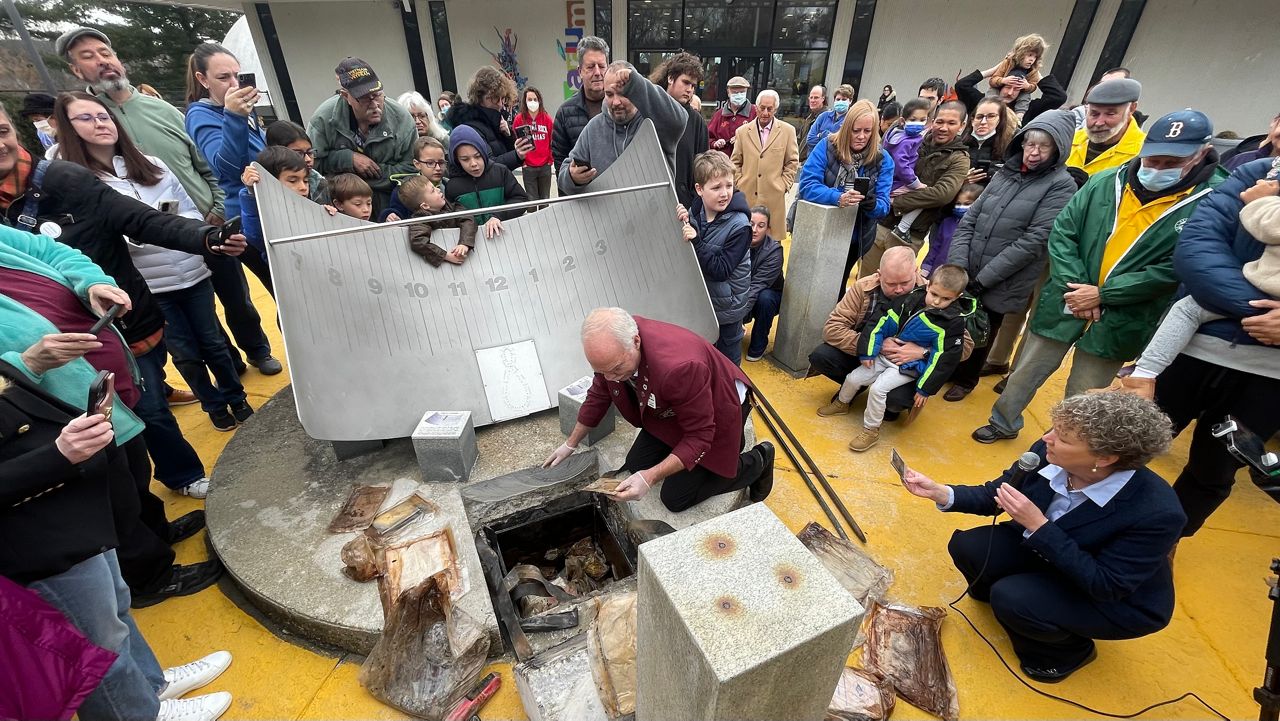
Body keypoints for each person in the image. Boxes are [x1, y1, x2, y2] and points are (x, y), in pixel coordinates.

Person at [0, 101, 255, 505]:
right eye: (86, 117)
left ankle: (182, 476)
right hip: (39, 359)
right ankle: (135, 530)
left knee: (149, 410)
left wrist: (207, 239)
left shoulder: (65, 180)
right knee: (86, 444)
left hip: (117, 329)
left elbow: (143, 219)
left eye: (2, 131)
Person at [0, 226, 226, 607]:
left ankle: (156, 532)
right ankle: (150, 578)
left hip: (96, 389)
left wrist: (91, 284)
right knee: (110, 495)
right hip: (47, 411)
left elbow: (52, 250)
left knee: (133, 470)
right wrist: (24, 363)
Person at [0, 360, 236, 721]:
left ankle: (149, 687)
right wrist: (56, 457)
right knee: (94, 645)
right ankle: (139, 714)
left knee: (116, 609)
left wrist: (30, 359)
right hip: (30, 538)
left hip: (68, 507)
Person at [973, 110, 1227, 444]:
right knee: (1028, 369)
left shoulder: (1213, 201)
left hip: (1122, 313)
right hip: (1069, 297)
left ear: (1202, 153)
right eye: (1152, 160)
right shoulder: (1106, 181)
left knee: (1088, 392)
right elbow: (1064, 232)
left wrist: (1104, 295)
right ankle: (1003, 421)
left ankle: (1068, 445)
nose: (1157, 169)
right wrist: (1076, 286)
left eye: (1170, 163)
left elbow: (1178, 265)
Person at [905, 392, 1185, 682]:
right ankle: (1021, 602)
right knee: (969, 547)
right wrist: (941, 492)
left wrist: (1039, 527)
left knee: (1014, 598)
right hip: (1057, 554)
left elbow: (1106, 585)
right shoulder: (1047, 452)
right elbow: (998, 494)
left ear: (1104, 458)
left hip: (1111, 597)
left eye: (1063, 438)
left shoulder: (1156, 512)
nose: (1047, 438)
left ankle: (1067, 653)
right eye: (1053, 429)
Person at [55, 27, 276, 379]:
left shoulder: (162, 110)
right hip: (151, 251)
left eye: (105, 51)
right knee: (192, 318)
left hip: (207, 224)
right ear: (76, 70)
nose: (102, 61)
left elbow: (206, 165)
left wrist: (216, 208)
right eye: (88, 57)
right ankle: (228, 369)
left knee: (236, 297)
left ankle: (257, 351)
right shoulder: (85, 119)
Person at [56, 91, 251, 437]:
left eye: (103, 116)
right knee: (185, 353)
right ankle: (214, 405)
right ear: (66, 129)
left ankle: (237, 398)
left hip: (191, 271)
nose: (100, 123)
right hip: (149, 287)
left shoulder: (153, 164)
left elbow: (188, 211)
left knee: (214, 342)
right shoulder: (75, 185)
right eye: (86, 118)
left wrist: (193, 236)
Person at [1147, 158, 1280, 538]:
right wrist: (1254, 311)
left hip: (1271, 376)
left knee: (1214, 470)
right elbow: (1198, 250)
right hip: (1196, 349)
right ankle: (1083, 519)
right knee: (1122, 443)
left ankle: (1163, 544)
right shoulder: (1254, 175)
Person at [545, 307, 775, 512]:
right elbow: (599, 393)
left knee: (675, 497)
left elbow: (701, 435)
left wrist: (650, 478)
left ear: (635, 341)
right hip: (675, 408)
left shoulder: (678, 368)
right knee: (637, 464)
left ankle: (758, 460)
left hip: (719, 409)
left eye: (615, 369)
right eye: (602, 371)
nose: (609, 378)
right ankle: (682, 455)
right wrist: (570, 443)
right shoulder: (615, 346)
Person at [942, 110, 1078, 403]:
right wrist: (959, 265)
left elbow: (1034, 240)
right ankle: (951, 367)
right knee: (956, 322)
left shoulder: (1060, 185)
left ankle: (967, 379)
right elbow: (970, 219)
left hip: (1005, 277)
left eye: (1043, 146)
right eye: (1030, 144)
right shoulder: (1005, 173)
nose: (1034, 152)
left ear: (1058, 149)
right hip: (971, 265)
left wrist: (984, 278)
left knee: (983, 328)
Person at [1114, 179, 1280, 397]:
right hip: (1245, 302)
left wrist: (1259, 202)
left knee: (1189, 308)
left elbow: (1272, 224)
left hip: (1263, 289)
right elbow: (1198, 244)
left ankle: (1143, 374)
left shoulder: (1261, 188)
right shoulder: (1259, 169)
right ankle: (1142, 376)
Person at [821, 264, 972, 450]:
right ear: (927, 286)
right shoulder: (909, 300)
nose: (937, 302)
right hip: (884, 357)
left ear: (957, 297)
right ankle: (841, 403)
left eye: (946, 298)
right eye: (934, 294)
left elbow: (946, 358)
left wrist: (925, 388)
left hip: (907, 366)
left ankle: (871, 430)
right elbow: (880, 322)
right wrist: (868, 351)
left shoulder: (953, 321)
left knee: (878, 389)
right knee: (853, 377)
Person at [184, 43, 280, 314]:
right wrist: (234, 117)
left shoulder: (244, 111)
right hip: (250, 220)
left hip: (271, 209)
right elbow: (224, 167)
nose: (234, 83)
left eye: (238, 75)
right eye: (223, 77)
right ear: (202, 80)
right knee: (284, 294)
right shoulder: (201, 114)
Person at [797, 99, 894, 293]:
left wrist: (871, 204)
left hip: (855, 236)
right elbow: (807, 185)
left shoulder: (883, 159)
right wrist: (837, 197)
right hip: (818, 228)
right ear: (847, 127)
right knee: (806, 285)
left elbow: (884, 205)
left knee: (836, 288)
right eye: (856, 130)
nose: (861, 136)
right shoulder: (826, 146)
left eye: (867, 131)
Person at [863, 101, 971, 275]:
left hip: (910, 235)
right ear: (932, 120)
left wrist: (895, 201)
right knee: (865, 282)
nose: (943, 128)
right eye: (940, 121)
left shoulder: (959, 159)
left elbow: (942, 194)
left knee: (893, 288)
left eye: (951, 123)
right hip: (882, 223)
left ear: (962, 125)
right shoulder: (914, 139)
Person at [308, 57, 417, 215]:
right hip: (341, 210)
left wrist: (369, 175)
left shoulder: (402, 119)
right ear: (346, 96)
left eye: (378, 95)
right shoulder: (323, 119)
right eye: (365, 98)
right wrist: (347, 159)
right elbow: (312, 167)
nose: (375, 104)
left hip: (391, 208)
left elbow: (412, 168)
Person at [560, 61, 686, 193]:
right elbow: (564, 174)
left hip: (656, 212)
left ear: (634, 90)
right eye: (609, 94)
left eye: (622, 93)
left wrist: (639, 83)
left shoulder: (655, 122)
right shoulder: (593, 128)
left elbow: (680, 121)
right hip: (609, 213)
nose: (615, 102)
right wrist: (572, 177)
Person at [677, 151, 753, 365]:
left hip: (727, 309)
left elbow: (721, 270)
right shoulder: (697, 209)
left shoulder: (740, 226)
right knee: (703, 357)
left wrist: (696, 241)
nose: (724, 193)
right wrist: (683, 220)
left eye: (729, 185)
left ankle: (734, 396)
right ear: (699, 190)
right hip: (703, 301)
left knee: (727, 362)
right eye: (716, 187)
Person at [731, 90, 798, 240]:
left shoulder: (788, 131)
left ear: (776, 109)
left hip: (773, 199)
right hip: (747, 197)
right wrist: (739, 183)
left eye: (770, 109)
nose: (766, 113)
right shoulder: (742, 132)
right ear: (756, 107)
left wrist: (783, 184)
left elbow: (792, 162)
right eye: (762, 108)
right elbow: (735, 162)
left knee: (771, 247)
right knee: (743, 241)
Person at [446, 66, 534, 174]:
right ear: (482, 97)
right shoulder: (471, 126)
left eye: (503, 98)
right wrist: (517, 155)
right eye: (496, 98)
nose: (501, 104)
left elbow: (505, 155)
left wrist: (508, 135)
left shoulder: (494, 121)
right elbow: (486, 164)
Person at [445, 125, 529, 238]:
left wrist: (498, 216)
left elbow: (521, 199)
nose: (473, 163)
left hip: (505, 236)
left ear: (484, 152)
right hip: (474, 243)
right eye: (465, 159)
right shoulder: (452, 186)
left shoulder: (500, 172)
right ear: (456, 160)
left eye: (477, 156)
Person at [650, 52, 707, 207]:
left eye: (693, 86)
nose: (689, 90)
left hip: (684, 207)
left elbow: (703, 169)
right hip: (649, 202)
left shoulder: (697, 122)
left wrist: (693, 204)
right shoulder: (649, 111)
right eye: (686, 82)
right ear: (670, 78)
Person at [552, 35, 610, 178]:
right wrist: (572, 179)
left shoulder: (621, 106)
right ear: (579, 71)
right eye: (590, 67)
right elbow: (560, 166)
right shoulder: (565, 113)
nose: (597, 72)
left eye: (602, 66)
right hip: (584, 195)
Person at [1067, 78, 1145, 176]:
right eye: (1094, 114)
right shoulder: (1069, 140)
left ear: (1131, 109)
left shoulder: (1144, 154)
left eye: (1110, 114)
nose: (1099, 123)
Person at [402, 175, 477, 266]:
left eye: (435, 187)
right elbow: (418, 241)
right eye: (433, 191)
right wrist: (445, 255)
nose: (438, 190)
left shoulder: (453, 207)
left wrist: (464, 244)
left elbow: (468, 220)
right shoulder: (420, 219)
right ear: (425, 206)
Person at [885, 98, 932, 243]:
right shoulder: (905, 141)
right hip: (899, 181)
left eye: (922, 119)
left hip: (893, 180)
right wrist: (914, 183)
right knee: (924, 196)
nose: (918, 123)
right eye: (913, 119)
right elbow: (901, 164)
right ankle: (903, 228)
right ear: (903, 121)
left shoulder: (896, 136)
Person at [743, 205, 784, 362]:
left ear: (768, 229)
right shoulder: (736, 241)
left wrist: (737, 318)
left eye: (761, 226)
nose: (754, 229)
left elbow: (756, 286)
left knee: (764, 298)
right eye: (751, 224)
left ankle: (758, 345)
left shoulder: (774, 251)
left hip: (770, 294)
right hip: (745, 290)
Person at [920, 183, 982, 278]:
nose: (961, 207)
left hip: (959, 277)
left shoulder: (980, 228)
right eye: (958, 203)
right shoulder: (947, 222)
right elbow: (935, 247)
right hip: (937, 272)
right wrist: (926, 268)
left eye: (967, 204)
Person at [265, 120, 329, 204]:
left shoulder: (320, 184)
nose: (308, 159)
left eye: (310, 152)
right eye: (298, 154)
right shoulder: (262, 187)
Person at [512, 86, 554, 202]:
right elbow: (515, 142)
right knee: (531, 201)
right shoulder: (519, 120)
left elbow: (552, 140)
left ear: (539, 100)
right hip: (528, 166)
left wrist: (550, 160)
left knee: (545, 200)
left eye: (535, 99)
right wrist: (523, 162)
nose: (532, 102)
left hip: (545, 165)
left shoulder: (547, 119)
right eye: (529, 100)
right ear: (525, 102)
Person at [963, 98, 1018, 186]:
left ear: (1001, 120)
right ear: (972, 120)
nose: (983, 122)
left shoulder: (1011, 146)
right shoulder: (960, 144)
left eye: (991, 116)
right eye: (979, 117)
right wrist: (960, 180)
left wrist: (988, 175)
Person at [989, 34, 1049, 116]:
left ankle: (1019, 116)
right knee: (992, 90)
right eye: (1030, 55)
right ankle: (989, 108)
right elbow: (993, 80)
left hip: (1020, 91)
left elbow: (1034, 86)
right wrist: (1003, 80)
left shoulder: (1033, 71)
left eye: (1035, 57)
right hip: (1001, 88)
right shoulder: (1008, 62)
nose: (1032, 59)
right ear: (1021, 53)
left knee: (1025, 96)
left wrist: (1027, 86)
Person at [707, 76, 755, 159]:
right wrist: (715, 143)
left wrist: (741, 138)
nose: (739, 95)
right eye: (735, 92)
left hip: (746, 161)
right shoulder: (719, 114)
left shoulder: (755, 112)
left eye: (742, 92)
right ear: (728, 92)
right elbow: (707, 137)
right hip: (723, 163)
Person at [804, 84, 854, 159]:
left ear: (850, 101)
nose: (840, 102)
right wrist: (831, 137)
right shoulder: (823, 116)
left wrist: (821, 135)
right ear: (834, 100)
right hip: (814, 160)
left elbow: (842, 146)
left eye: (844, 100)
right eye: (838, 99)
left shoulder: (851, 121)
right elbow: (810, 140)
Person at [798, 85, 827, 163]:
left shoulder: (827, 119)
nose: (812, 100)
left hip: (813, 164)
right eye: (811, 97)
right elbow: (799, 140)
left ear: (823, 98)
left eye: (816, 97)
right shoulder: (809, 117)